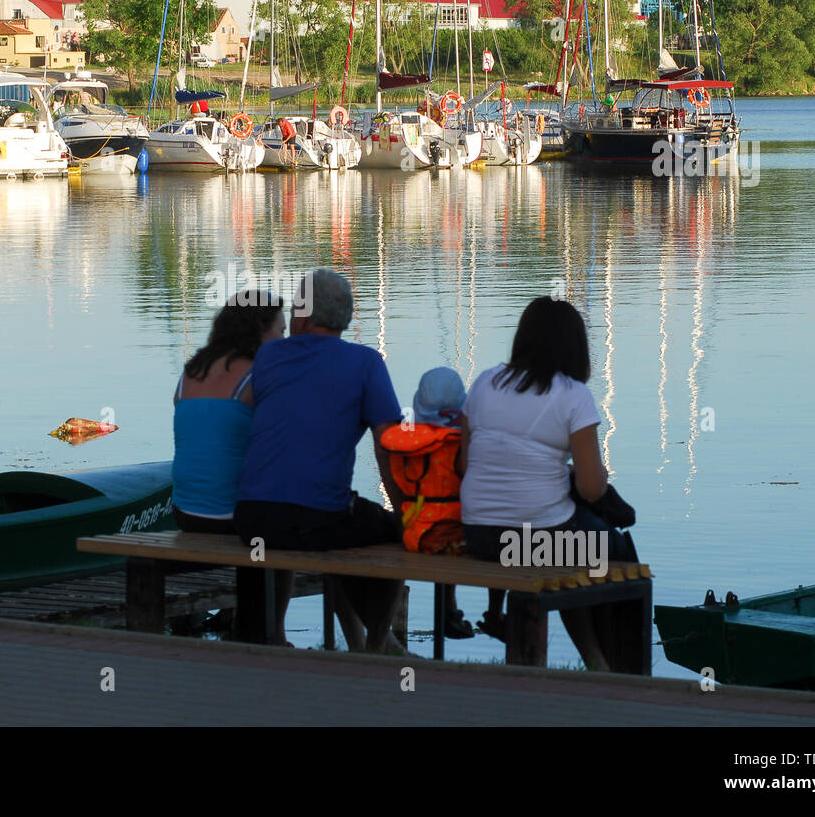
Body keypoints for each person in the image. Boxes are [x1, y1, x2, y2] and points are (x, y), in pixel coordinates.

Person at [234, 268, 409, 654]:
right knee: (387, 532)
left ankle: (367, 643)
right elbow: (389, 446)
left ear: (302, 313)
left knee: (341, 521)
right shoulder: (366, 364)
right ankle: (378, 647)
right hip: (316, 519)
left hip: (252, 518)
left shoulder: (269, 355)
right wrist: (403, 512)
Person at [459, 296, 635, 671]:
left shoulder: (484, 382)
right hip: (533, 544)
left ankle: (593, 660)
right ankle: (612, 664)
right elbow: (591, 489)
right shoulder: (574, 396)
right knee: (615, 549)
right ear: (575, 347)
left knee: (569, 554)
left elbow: (464, 464)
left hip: (479, 537)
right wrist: (592, 474)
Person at [172, 291, 291, 644]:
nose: (283, 340)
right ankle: (273, 635)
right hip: (232, 518)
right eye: (280, 331)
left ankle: (237, 620)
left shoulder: (190, 372)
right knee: (284, 522)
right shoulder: (258, 375)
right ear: (260, 329)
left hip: (185, 511)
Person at [379, 366, 474, 638]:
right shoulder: (462, 445)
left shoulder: (408, 447)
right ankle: (450, 608)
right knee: (456, 525)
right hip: (457, 538)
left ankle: (447, 610)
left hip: (415, 535)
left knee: (440, 524)